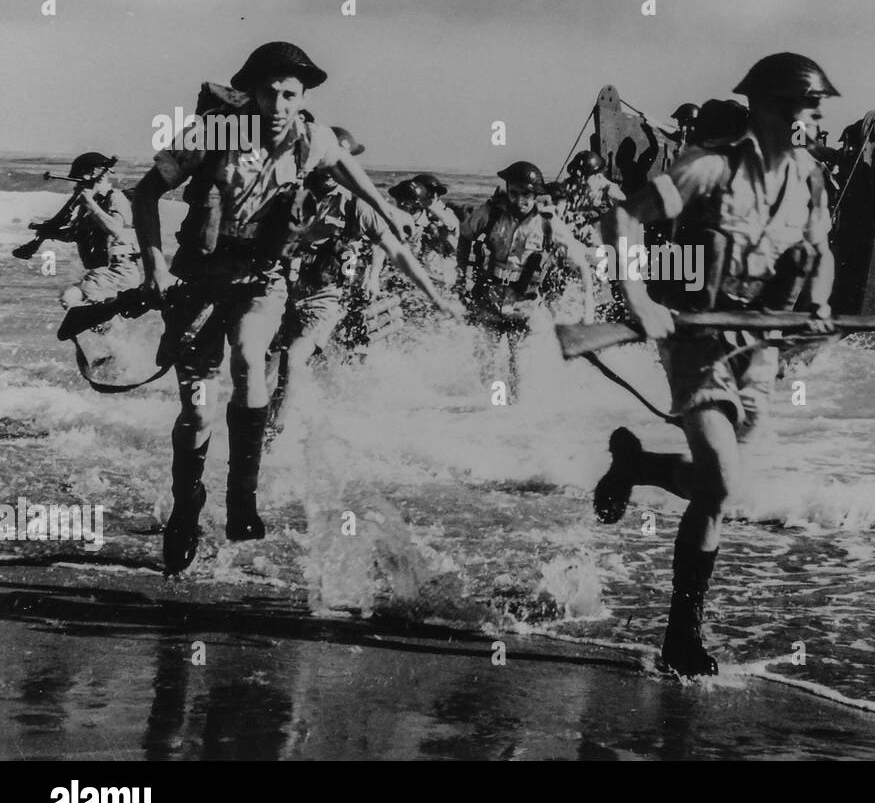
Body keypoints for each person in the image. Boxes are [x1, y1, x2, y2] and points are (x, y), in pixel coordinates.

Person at [591, 52, 838, 677]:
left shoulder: (810, 179)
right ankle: (680, 639)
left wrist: (818, 304)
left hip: (758, 350)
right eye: (793, 107)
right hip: (695, 341)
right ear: (760, 108)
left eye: (813, 109)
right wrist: (639, 297)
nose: (805, 119)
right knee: (723, 479)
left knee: (713, 487)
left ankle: (638, 464)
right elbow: (622, 219)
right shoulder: (709, 167)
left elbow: (821, 249)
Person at [132, 41, 415, 576]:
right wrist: (153, 264)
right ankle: (187, 509)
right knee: (196, 410)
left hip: (261, 280)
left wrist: (387, 213)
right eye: (269, 92)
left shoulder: (313, 139)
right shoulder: (214, 134)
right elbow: (143, 195)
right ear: (252, 93)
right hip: (197, 279)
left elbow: (355, 178)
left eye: (290, 94)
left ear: (302, 96)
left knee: (249, 356)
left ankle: (242, 494)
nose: (280, 103)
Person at [267, 128, 458, 435]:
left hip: (327, 297)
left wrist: (435, 297)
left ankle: (275, 435)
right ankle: (271, 424)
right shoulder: (289, 191)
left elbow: (395, 251)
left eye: (339, 164)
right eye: (324, 163)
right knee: (266, 367)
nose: (329, 171)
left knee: (295, 358)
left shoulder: (356, 206)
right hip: (281, 292)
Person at [457, 161, 594, 396]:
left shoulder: (548, 222)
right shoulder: (490, 213)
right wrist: (462, 276)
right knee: (485, 365)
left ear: (536, 194)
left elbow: (581, 262)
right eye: (514, 193)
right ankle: (482, 417)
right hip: (489, 300)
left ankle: (517, 415)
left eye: (526, 195)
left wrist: (588, 310)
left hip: (525, 306)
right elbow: (465, 234)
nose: (519, 201)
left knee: (518, 368)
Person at [37, 154, 142, 308]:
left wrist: (90, 204)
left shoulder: (115, 199)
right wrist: (49, 232)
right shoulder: (93, 201)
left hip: (118, 273)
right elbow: (78, 234)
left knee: (71, 299)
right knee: (75, 303)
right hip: (100, 274)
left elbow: (116, 230)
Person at [565, 150, 625, 245]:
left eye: (584, 178)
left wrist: (598, 212)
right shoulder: (578, 187)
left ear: (597, 175)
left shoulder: (610, 190)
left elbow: (627, 213)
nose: (580, 182)